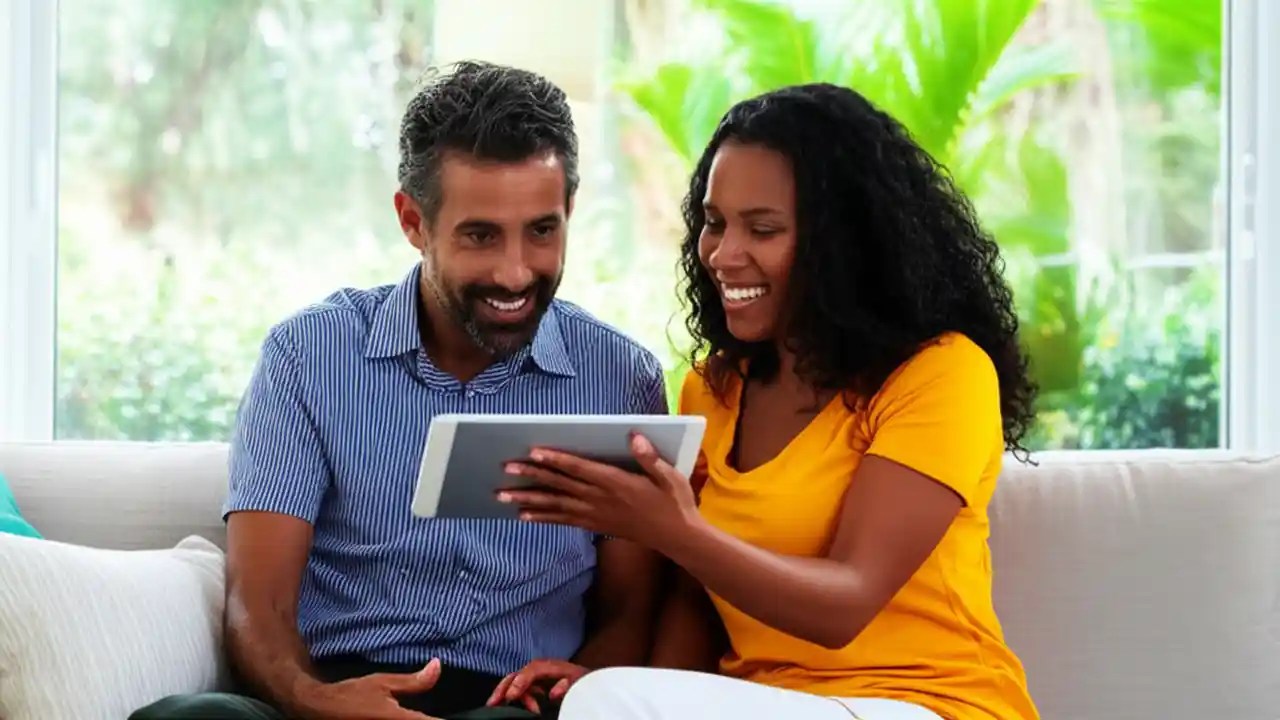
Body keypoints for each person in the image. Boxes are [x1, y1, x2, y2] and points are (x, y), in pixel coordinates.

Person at [130, 61, 665, 720]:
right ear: (413, 221)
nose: (515, 271)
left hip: (511, 707)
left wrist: (581, 682)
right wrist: (316, 700)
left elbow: (629, 612)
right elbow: (258, 605)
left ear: (570, 212)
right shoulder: (308, 357)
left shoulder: (621, 378)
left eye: (542, 231)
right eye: (480, 235)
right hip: (335, 696)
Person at [490, 83, 1042, 719]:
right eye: (714, 223)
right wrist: (621, 687)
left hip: (927, 704)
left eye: (763, 229)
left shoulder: (941, 372)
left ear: (845, 243)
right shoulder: (713, 390)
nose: (724, 255)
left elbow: (846, 604)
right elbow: (697, 602)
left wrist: (672, 530)